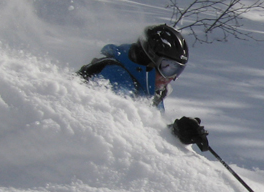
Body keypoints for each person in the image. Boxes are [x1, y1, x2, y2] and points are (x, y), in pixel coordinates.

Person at [79, 24, 210, 151]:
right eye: (168, 67)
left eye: (178, 70)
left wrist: (177, 132)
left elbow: (147, 129)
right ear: (148, 59)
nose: (170, 78)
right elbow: (117, 132)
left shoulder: (149, 87)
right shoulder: (115, 77)